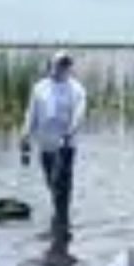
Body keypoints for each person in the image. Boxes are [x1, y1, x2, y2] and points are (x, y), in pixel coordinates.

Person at [22, 51, 87, 237]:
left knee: (62, 184)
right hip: (45, 145)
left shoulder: (77, 89)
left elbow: (79, 114)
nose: (63, 67)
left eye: (67, 64)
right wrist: (25, 134)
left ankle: (62, 221)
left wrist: (69, 132)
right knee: (51, 183)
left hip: (66, 145)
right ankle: (60, 219)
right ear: (51, 65)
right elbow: (31, 113)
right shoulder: (39, 88)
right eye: (60, 63)